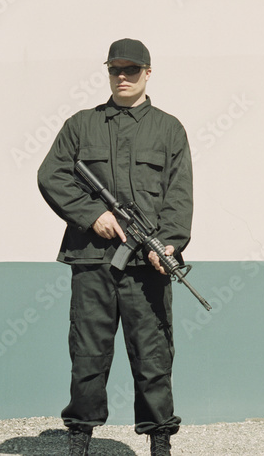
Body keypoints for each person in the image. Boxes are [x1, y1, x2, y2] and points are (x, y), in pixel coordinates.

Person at [38, 39, 194, 456]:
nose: (122, 77)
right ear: (108, 73)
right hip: (92, 259)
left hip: (148, 263)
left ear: (148, 72)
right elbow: (52, 175)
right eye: (115, 70)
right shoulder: (81, 124)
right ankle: (79, 439)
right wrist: (92, 215)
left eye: (131, 70)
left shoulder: (168, 128)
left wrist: (170, 246)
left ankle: (160, 440)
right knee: (88, 352)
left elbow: (178, 196)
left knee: (153, 354)